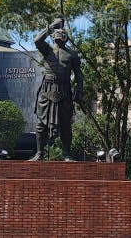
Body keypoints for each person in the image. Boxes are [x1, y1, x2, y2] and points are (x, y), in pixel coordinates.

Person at [30, 18, 83, 161]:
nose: (60, 33)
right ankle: (40, 153)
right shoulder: (47, 50)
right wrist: (52, 26)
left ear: (66, 37)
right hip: (47, 90)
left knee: (66, 124)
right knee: (41, 124)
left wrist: (79, 90)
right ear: (53, 35)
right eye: (57, 32)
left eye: (62, 32)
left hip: (64, 90)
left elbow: (78, 74)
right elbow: (37, 40)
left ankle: (66, 154)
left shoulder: (72, 54)